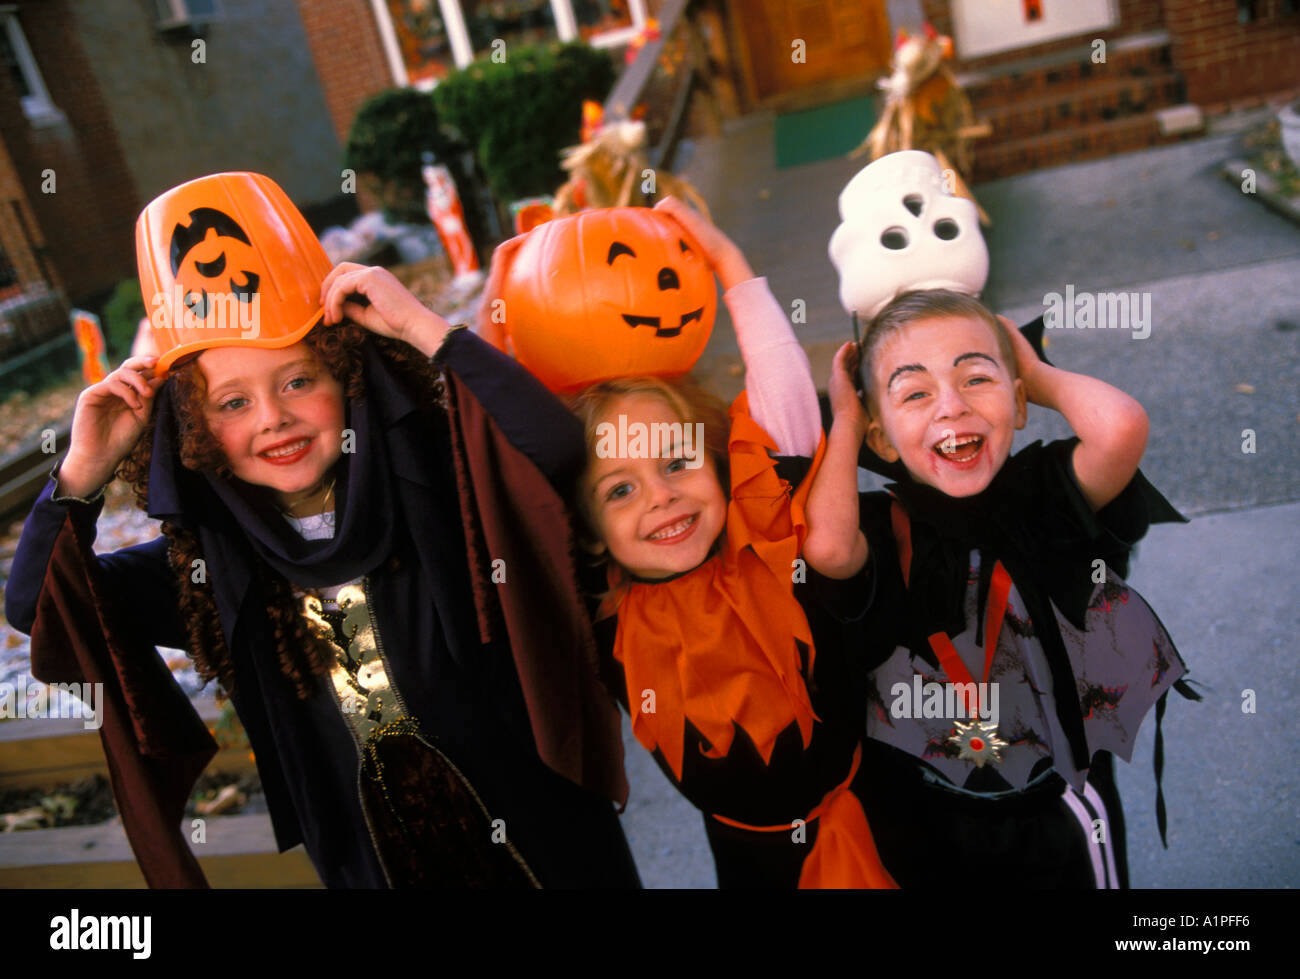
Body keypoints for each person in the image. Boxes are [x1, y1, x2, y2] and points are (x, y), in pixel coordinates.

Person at [4, 172, 638, 889]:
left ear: (348, 375)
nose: (272, 417)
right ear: (198, 431)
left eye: (299, 380)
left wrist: (421, 328)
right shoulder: (209, 571)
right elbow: (37, 606)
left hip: (551, 849)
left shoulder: (439, 487)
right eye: (233, 402)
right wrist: (81, 475)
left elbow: (553, 451)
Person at [805, 287, 1195, 888]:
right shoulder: (880, 530)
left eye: (976, 379)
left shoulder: (1046, 494)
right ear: (880, 439)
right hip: (928, 808)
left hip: (1055, 803)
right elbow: (827, 549)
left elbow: (1119, 430)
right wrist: (849, 421)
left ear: (1017, 404)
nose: (951, 408)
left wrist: (1034, 374)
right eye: (915, 393)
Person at [568, 198, 896, 888]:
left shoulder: (771, 538)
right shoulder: (603, 618)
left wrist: (729, 264)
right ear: (589, 534)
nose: (660, 496)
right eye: (619, 489)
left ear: (717, 461)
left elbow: (778, 391)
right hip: (750, 865)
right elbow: (500, 472)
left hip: (883, 822)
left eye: (675, 461)